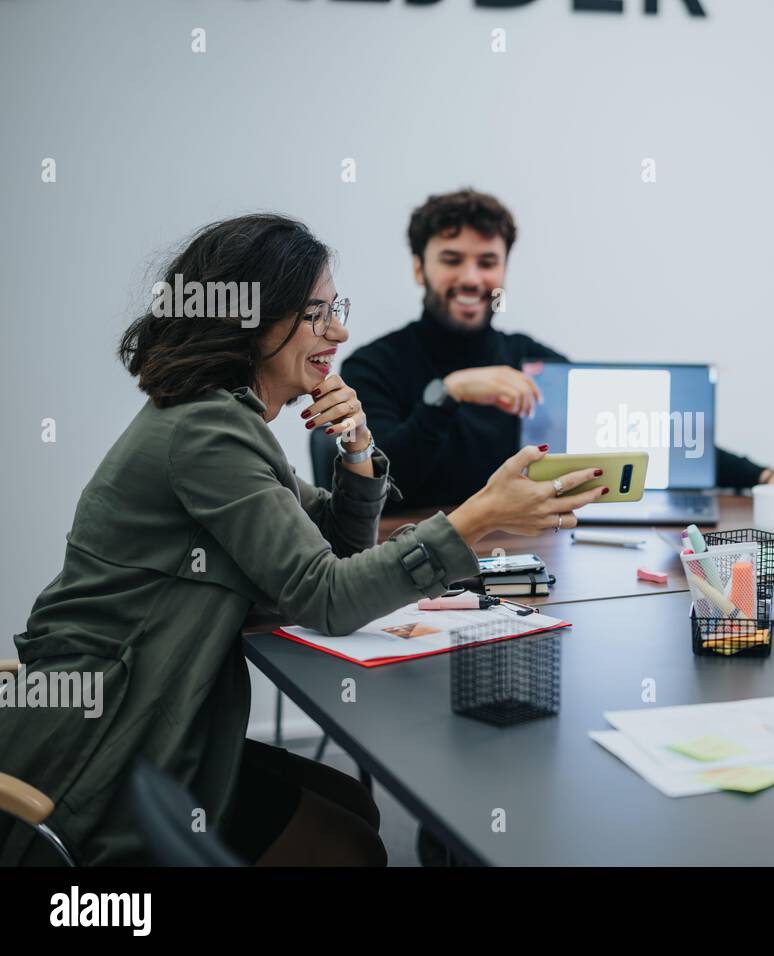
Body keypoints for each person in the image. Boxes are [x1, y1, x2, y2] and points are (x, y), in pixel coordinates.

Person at [0, 215, 605, 866]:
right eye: (318, 314)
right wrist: (481, 516)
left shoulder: (224, 418)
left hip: (153, 713)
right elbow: (329, 597)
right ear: (253, 324)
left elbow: (336, 552)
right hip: (109, 747)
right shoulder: (206, 431)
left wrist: (358, 450)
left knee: (353, 805)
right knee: (349, 845)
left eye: (334, 310)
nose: (339, 333)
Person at [341, 188, 774, 510]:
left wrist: (762, 476)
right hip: (412, 566)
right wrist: (446, 393)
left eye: (487, 261)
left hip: (529, 559)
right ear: (419, 269)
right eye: (452, 260)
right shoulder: (371, 367)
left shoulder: (536, 363)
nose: (471, 277)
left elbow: (652, 440)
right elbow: (373, 490)